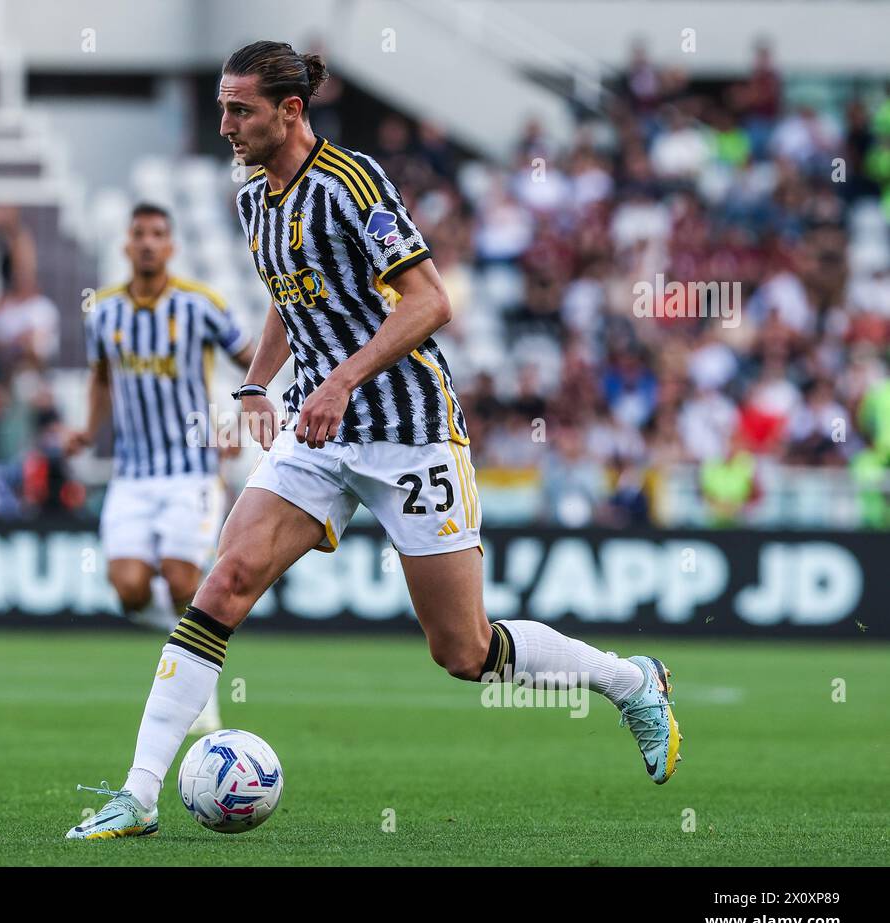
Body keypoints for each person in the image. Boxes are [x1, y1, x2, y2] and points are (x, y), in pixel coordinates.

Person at [66, 42, 682, 840]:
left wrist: (340, 379)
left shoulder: (354, 185)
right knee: (223, 585)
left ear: (290, 111)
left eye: (238, 109)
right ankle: (139, 794)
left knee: (463, 651)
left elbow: (429, 302)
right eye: (222, 107)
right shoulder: (256, 196)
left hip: (409, 433)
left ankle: (629, 680)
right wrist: (256, 383)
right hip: (319, 435)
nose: (224, 125)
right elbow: (291, 297)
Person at [67, 203, 256, 737]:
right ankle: (195, 636)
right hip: (132, 471)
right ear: (126, 246)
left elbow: (251, 359)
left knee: (179, 578)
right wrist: (87, 428)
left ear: (171, 247)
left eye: (158, 235)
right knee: (127, 589)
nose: (148, 243)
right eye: (139, 235)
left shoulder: (201, 305)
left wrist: (238, 416)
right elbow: (102, 378)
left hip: (192, 468)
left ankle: (203, 698)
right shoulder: (103, 312)